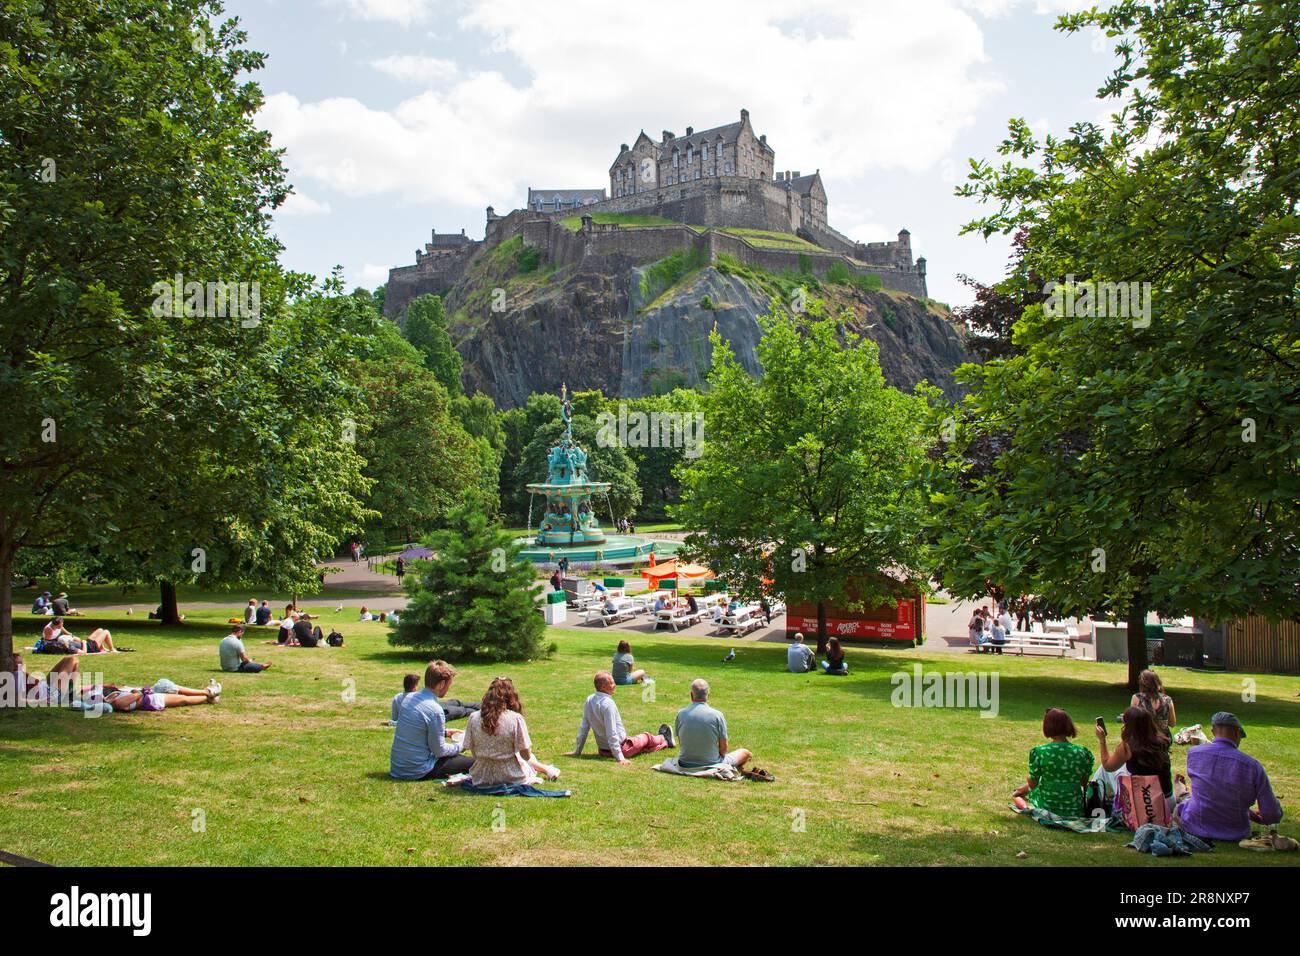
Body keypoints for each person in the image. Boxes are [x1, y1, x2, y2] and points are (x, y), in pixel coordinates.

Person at [1174, 711, 1283, 842]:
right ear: (1237, 733)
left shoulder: (1194, 753)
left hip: (1195, 825)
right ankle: (1182, 792)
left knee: (1190, 798)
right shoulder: (1252, 766)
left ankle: (1181, 791)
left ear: (1213, 731)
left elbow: (1215, 793)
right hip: (1235, 832)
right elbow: (1271, 813)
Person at [460, 677, 560, 785]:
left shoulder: (473, 717)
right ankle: (547, 770)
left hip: (481, 776)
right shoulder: (515, 718)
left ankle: (548, 770)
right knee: (528, 758)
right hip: (509, 776)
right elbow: (525, 755)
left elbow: (472, 751)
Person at [390, 660, 475, 780]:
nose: (448, 689)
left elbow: (417, 730)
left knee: (458, 759)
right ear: (441, 684)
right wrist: (462, 745)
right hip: (417, 770)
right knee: (475, 764)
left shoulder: (409, 698)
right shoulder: (435, 710)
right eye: (449, 685)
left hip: (398, 767)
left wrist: (445, 732)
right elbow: (439, 751)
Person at [573, 672, 672, 763]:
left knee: (643, 747)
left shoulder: (589, 699)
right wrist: (620, 758)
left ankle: (665, 743)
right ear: (603, 687)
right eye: (611, 683)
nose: (615, 685)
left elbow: (584, 727)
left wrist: (577, 751)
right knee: (646, 737)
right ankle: (664, 737)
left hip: (603, 751)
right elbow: (611, 733)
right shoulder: (608, 704)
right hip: (623, 748)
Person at [1011, 708, 1093, 817]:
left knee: (1018, 796)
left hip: (1047, 806)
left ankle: (1020, 796)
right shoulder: (1082, 752)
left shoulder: (1040, 752)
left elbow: (1033, 784)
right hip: (1074, 809)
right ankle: (1020, 790)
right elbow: (1083, 783)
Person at [1097, 707, 1173, 815]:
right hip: (1167, 801)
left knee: (1103, 769)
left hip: (1145, 806)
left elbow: (1108, 766)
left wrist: (1102, 741)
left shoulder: (1127, 747)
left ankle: (1094, 800)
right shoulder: (1162, 741)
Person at [674, 678, 752, 771]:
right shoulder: (717, 715)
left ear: (691, 695)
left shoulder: (681, 714)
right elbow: (723, 749)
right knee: (746, 753)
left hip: (684, 762)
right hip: (712, 763)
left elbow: (681, 743)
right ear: (708, 696)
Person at [103, 680, 220, 712]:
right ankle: (209, 696)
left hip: (151, 697)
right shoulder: (117, 702)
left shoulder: (117, 698)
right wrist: (138, 691)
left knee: (177, 691)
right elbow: (137, 695)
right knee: (183, 699)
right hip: (153, 700)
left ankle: (208, 693)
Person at [9, 652, 80, 705]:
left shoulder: (17, 674)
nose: (20, 665)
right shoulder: (18, 675)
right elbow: (18, 700)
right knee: (73, 660)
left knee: (67, 659)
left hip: (44, 687)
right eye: (17, 663)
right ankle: (68, 695)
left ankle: (69, 694)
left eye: (21, 663)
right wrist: (40, 701)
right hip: (50, 695)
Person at [1131, 669, 1177, 742]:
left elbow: (1132, 722)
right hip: (1163, 742)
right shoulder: (1168, 700)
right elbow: (1172, 723)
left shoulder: (1137, 698)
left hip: (1142, 741)